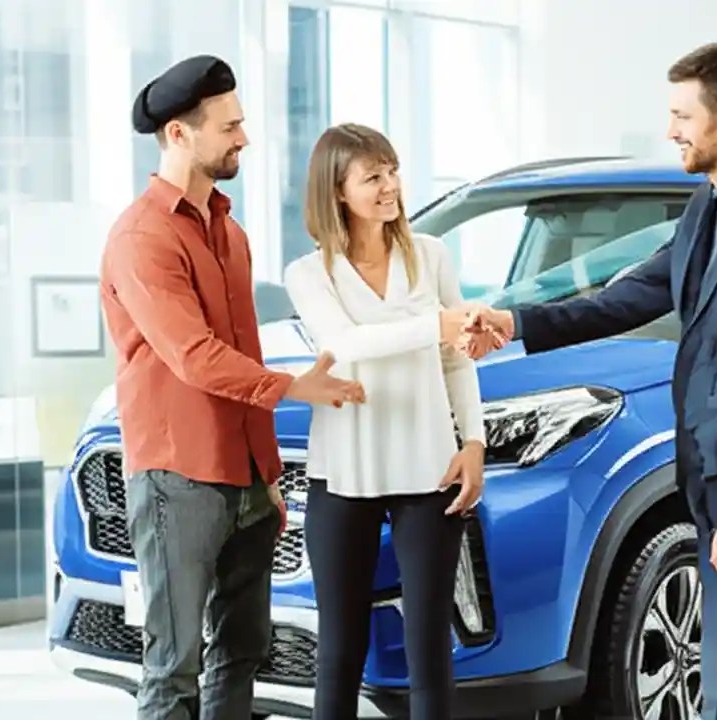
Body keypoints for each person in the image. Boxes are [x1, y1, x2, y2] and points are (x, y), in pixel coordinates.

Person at [461, 40, 717, 720]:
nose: (670, 131)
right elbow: (630, 296)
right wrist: (517, 322)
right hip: (712, 468)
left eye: (681, 116)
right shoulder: (711, 205)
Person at [100, 55, 365, 720]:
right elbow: (194, 357)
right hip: (178, 478)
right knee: (173, 666)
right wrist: (296, 387)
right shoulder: (142, 236)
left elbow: (243, 350)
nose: (243, 138)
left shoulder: (231, 232)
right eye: (229, 127)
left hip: (243, 478)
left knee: (241, 651)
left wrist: (265, 472)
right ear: (179, 135)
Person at [282, 123, 490, 720]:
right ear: (337, 190)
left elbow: (457, 359)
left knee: (429, 645)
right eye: (372, 176)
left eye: (392, 171)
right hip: (344, 472)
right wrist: (437, 325)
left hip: (430, 468)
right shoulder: (309, 273)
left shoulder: (430, 255)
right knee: (340, 648)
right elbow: (346, 342)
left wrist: (473, 441)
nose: (389, 185)